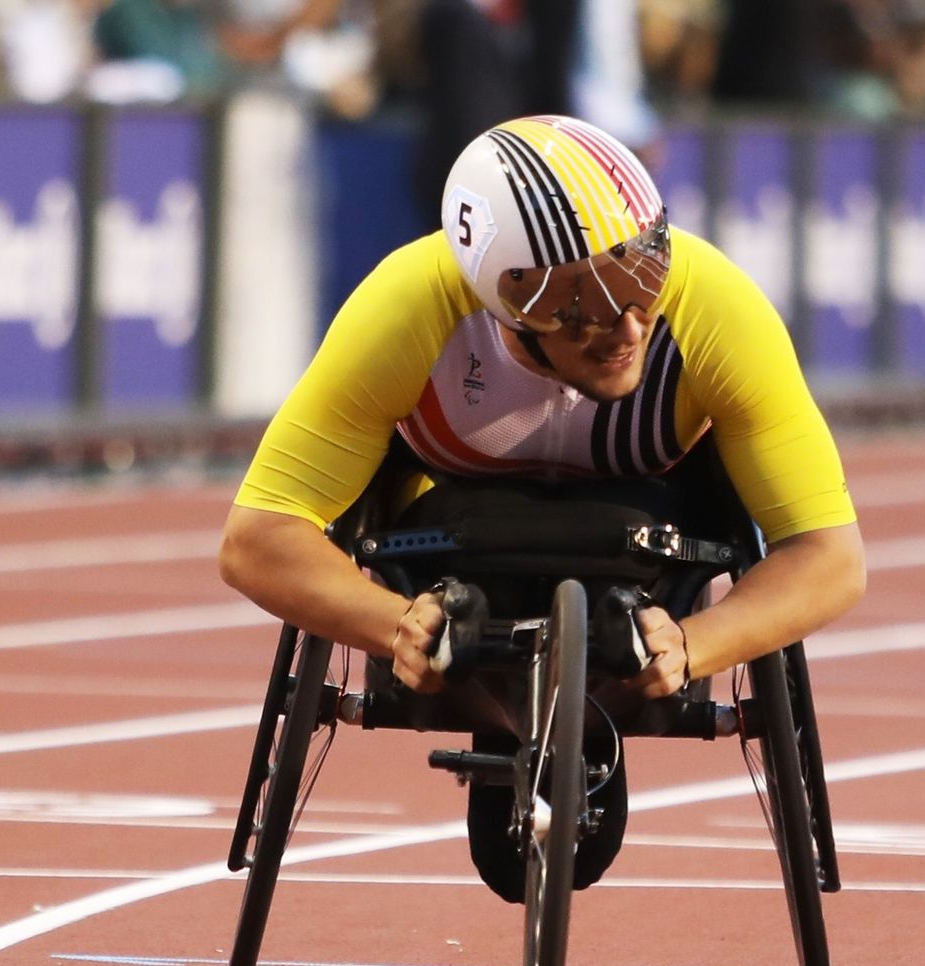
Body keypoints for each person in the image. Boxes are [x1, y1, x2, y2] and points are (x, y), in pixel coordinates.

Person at [218, 113, 866, 897]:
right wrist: (390, 624)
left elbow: (830, 557)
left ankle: (592, 702)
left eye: (641, 285)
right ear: (509, 310)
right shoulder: (409, 305)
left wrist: (696, 643)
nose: (627, 330)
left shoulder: (715, 306)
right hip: (456, 541)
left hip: (648, 542)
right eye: (583, 314)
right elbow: (256, 537)